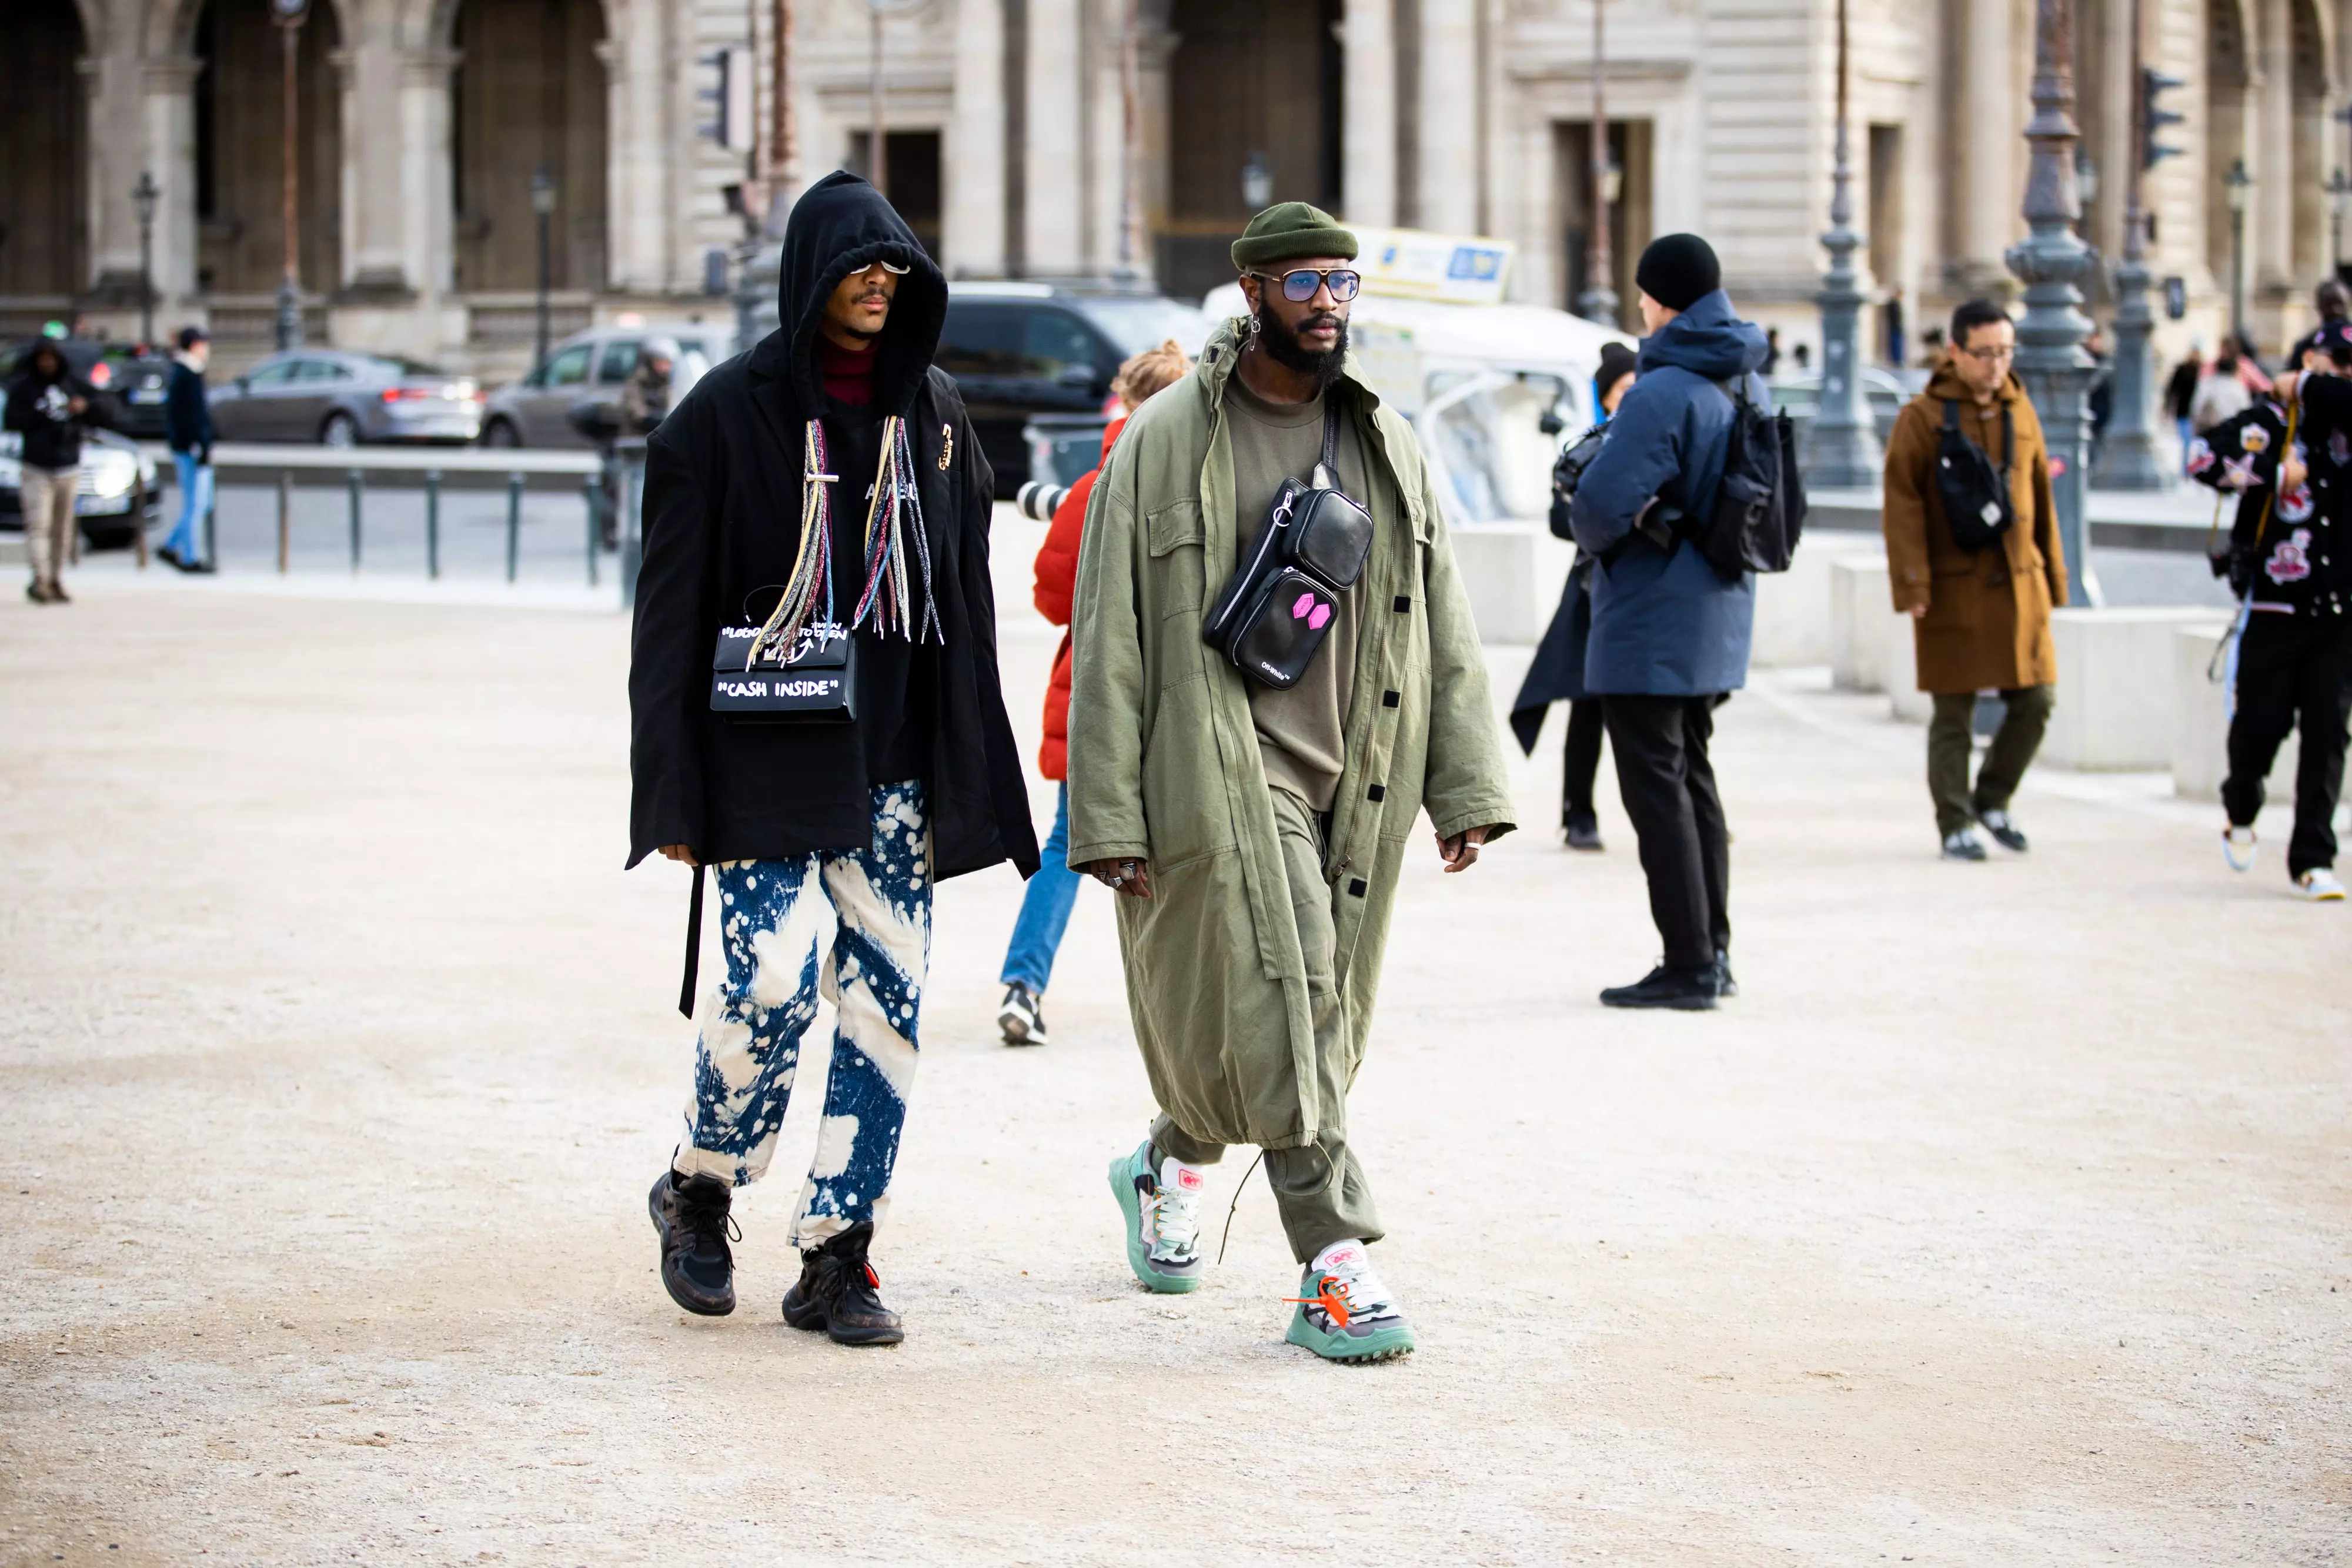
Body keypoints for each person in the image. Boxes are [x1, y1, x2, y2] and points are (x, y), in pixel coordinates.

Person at [1066, 202, 1514, 1362]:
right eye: (1307, 282)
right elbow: (1110, 633)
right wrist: (1106, 814)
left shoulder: (1386, 445)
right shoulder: (1165, 440)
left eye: (1344, 283)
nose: (1328, 303)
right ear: (1253, 291)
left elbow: (1444, 622)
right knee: (1284, 981)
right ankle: (1333, 1258)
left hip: (1355, 779)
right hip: (1219, 772)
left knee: (1307, 1013)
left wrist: (1464, 785)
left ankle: (1166, 1158)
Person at [629, 170, 1040, 1346]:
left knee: (885, 1007)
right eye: (859, 265)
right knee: (768, 981)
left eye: (894, 267)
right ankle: (700, 1186)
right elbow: (666, 624)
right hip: (761, 756)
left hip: (896, 764)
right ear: (807, 275)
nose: (878, 283)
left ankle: (836, 1253)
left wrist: (982, 770)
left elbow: (966, 600)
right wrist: (669, 789)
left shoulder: (939, 419)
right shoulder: (720, 416)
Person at [1567, 233, 1768, 1011]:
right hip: (1715, 604)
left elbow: (1599, 506)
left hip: (1653, 615)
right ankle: (1712, 950)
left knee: (1656, 787)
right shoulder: (1740, 375)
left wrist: (1586, 499)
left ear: (1659, 298)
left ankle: (1686, 960)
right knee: (1694, 777)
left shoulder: (1662, 388)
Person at [995, 337, 1192, 1048]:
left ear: (1125, 402)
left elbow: (1052, 600)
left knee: (1066, 845)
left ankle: (1023, 986)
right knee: (1191, 848)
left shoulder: (1090, 489)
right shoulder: (1202, 480)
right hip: (1181, 692)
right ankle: (1189, 1009)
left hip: (1094, 688)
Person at [1880, 299, 2066, 861]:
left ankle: (1993, 798)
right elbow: (1902, 505)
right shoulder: (1922, 418)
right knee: (1954, 712)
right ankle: (1954, 819)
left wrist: (2053, 576)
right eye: (1984, 353)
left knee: (2037, 699)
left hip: (2019, 582)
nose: (1996, 365)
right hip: (1953, 584)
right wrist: (1913, 585)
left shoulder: (2022, 408)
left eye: (2005, 352)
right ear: (1955, 351)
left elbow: (2042, 496)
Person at [2190, 326, 2352, 901]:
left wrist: (2312, 384)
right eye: (2342, 364)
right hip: (2274, 609)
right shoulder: (2268, 424)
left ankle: (2312, 859)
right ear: (2310, 359)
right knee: (2259, 730)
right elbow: (2200, 459)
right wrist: (2270, 476)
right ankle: (2241, 804)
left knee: (2328, 736)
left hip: (2338, 615)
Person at [1509, 339, 1639, 851]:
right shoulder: (1587, 447)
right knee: (1588, 706)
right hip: (1594, 592)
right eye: (1624, 389)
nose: (1633, 397)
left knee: (1653, 710)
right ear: (1607, 397)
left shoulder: (1658, 442)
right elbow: (1560, 520)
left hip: (1642, 594)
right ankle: (1578, 813)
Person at [5, 340, 103, 603]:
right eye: (43, 359)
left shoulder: (71, 384)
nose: (47, 364)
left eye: (51, 359)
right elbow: (12, 420)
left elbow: (105, 407)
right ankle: (41, 580)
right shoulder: (25, 388)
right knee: (39, 526)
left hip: (67, 465)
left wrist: (83, 409)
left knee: (63, 529)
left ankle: (56, 578)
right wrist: (42, 417)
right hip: (37, 466)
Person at [160, 326, 215, 574]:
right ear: (195, 345)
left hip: (188, 445)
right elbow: (191, 416)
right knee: (196, 503)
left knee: (199, 502)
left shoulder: (185, 372)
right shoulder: (187, 373)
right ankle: (189, 556)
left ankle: (174, 546)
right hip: (190, 446)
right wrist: (199, 444)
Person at [617, 336, 677, 436]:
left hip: (661, 436)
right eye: (661, 362)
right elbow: (635, 411)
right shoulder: (638, 382)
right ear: (650, 362)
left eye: (668, 363)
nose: (665, 367)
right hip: (637, 438)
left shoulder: (667, 383)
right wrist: (652, 419)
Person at [2192, 340, 2253, 435]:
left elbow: (2196, 410)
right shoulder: (2239, 388)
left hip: (2212, 433)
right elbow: (2246, 412)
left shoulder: (2207, 384)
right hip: (2229, 434)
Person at [2165, 344, 2206, 452]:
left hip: (2197, 414)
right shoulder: (2183, 369)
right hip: (2184, 411)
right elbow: (2172, 390)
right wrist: (2167, 408)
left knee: (2195, 444)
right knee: (2186, 443)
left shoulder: (2203, 370)